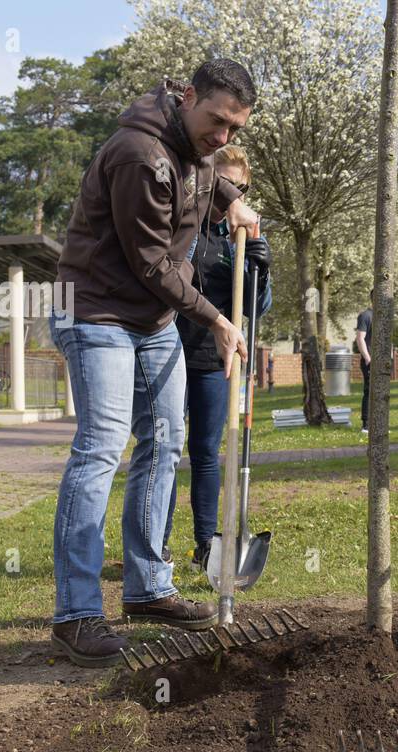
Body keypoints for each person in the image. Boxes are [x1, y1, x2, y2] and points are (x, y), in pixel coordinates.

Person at [48, 59, 261, 668]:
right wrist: (219, 320)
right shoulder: (140, 155)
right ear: (188, 97)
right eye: (216, 121)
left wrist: (230, 198)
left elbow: (200, 167)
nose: (223, 137)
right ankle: (76, 613)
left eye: (234, 130)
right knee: (101, 447)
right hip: (96, 312)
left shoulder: (189, 142)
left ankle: (147, 587)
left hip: (151, 320)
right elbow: (152, 265)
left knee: (166, 441)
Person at [163, 144, 273, 572]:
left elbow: (256, 308)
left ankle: (206, 544)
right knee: (165, 446)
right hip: (169, 347)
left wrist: (259, 271)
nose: (235, 195)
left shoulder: (243, 237)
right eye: (226, 185)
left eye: (242, 187)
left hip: (215, 357)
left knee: (206, 451)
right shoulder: (187, 224)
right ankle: (158, 544)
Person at [354, 290, 373, 434]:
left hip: (382, 361)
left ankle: (378, 423)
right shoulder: (365, 316)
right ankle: (365, 425)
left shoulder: (383, 317)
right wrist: (367, 358)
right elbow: (360, 338)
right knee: (369, 390)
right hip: (369, 360)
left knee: (381, 392)